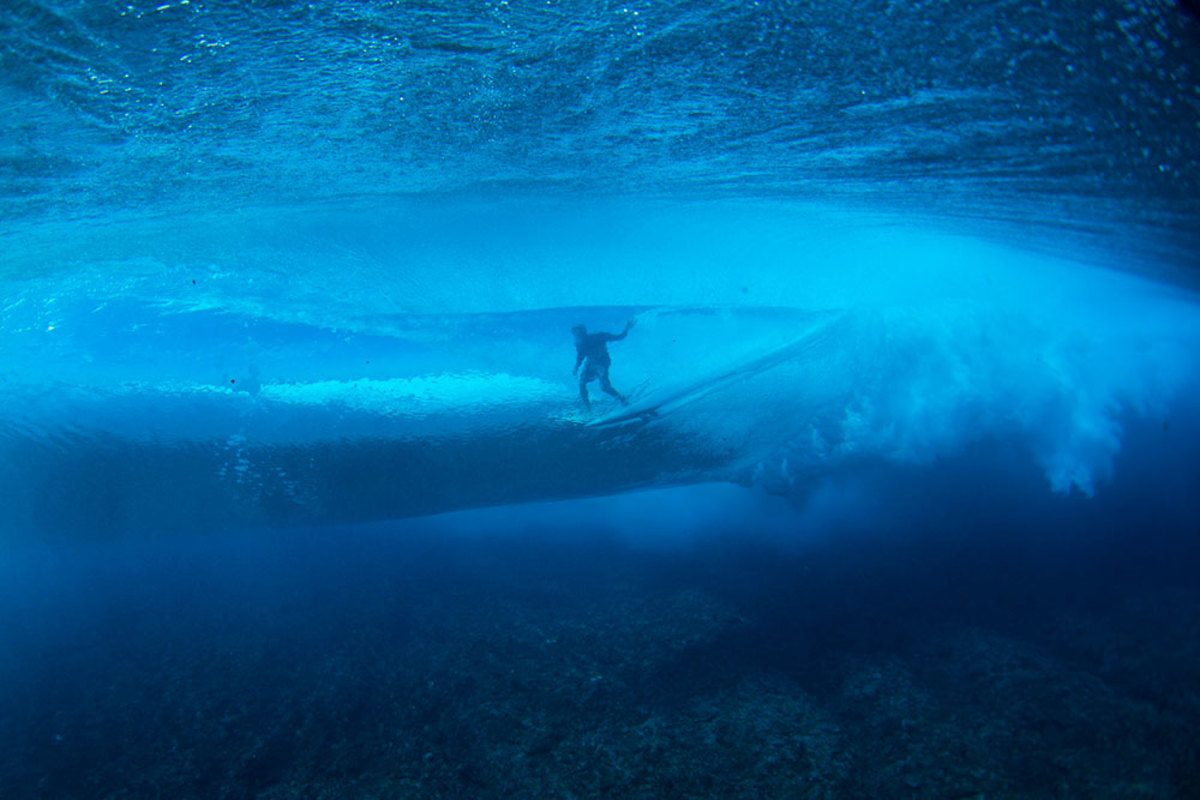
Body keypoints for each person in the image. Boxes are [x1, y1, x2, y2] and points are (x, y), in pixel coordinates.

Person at [572, 319, 636, 410]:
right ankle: (588, 409)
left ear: (583, 332)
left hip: (602, 362)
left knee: (604, 387)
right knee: (582, 384)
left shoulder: (599, 336)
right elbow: (580, 355)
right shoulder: (579, 343)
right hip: (590, 363)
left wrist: (627, 328)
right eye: (574, 333)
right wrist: (576, 367)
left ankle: (622, 400)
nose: (576, 335)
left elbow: (620, 337)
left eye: (577, 332)